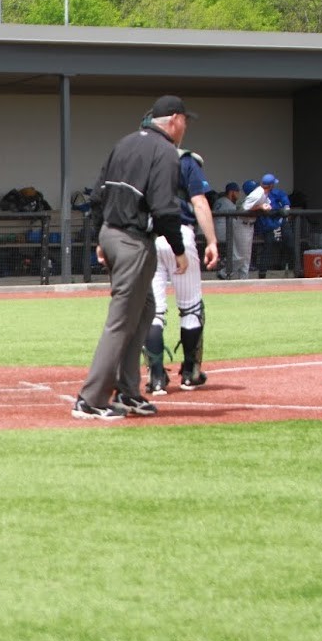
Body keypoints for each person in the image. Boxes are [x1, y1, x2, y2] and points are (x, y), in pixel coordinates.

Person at [72, 95, 190, 420]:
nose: (185, 128)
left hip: (113, 234)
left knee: (145, 310)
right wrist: (179, 250)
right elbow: (166, 208)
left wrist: (100, 237)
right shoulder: (165, 151)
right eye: (185, 121)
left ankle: (127, 391)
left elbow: (97, 195)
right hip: (133, 240)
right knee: (122, 320)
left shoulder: (124, 142)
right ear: (175, 120)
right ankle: (91, 399)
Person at [143, 145, 221, 395]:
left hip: (149, 238)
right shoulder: (186, 161)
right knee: (191, 307)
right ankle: (190, 373)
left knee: (153, 312)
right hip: (180, 233)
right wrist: (211, 240)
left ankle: (156, 377)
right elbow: (199, 202)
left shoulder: (140, 160)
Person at [252, 173, 293, 278]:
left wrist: (285, 211)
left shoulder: (277, 193)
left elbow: (286, 205)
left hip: (279, 220)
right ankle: (262, 272)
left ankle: (291, 268)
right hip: (266, 223)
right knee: (268, 245)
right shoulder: (258, 194)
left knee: (289, 243)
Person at [235, 178, 265, 279]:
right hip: (242, 226)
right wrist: (260, 207)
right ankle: (224, 272)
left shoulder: (257, 200)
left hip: (250, 226)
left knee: (247, 256)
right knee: (240, 255)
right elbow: (245, 209)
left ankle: (244, 279)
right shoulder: (244, 202)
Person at [212, 183, 237, 279]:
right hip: (224, 233)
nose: (238, 195)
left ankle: (223, 263)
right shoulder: (228, 203)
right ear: (232, 192)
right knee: (236, 252)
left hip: (216, 232)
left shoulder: (219, 201)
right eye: (237, 192)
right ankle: (224, 269)